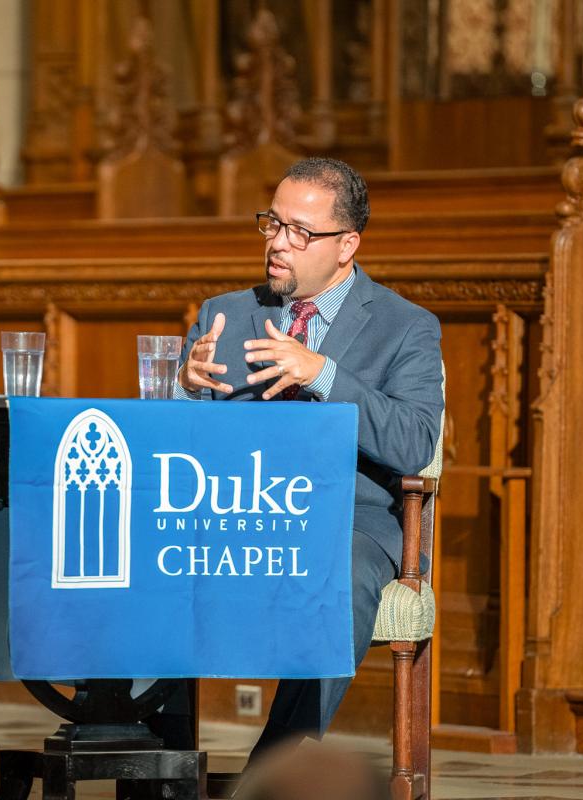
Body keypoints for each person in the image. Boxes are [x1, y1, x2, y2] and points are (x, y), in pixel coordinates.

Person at [174, 157, 444, 761]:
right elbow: (175, 444)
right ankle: (154, 763)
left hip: (350, 524)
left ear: (347, 244)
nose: (278, 244)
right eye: (272, 224)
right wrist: (185, 389)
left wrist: (322, 373)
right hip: (234, 513)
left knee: (337, 576)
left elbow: (414, 441)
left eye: (300, 232)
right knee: (146, 551)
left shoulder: (405, 328)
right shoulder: (226, 312)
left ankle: (271, 775)